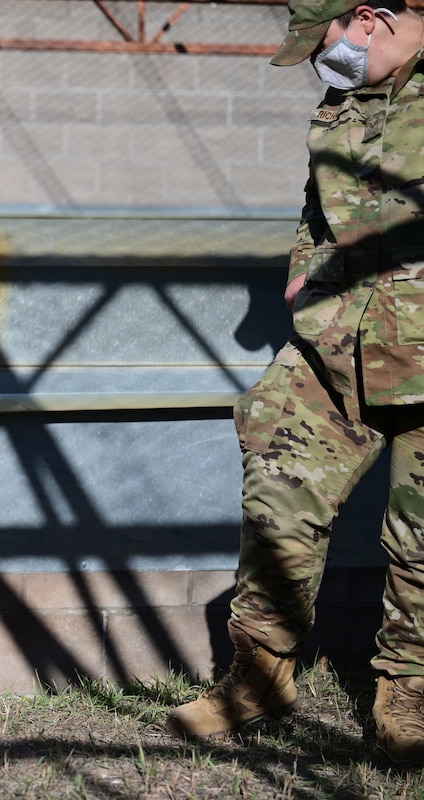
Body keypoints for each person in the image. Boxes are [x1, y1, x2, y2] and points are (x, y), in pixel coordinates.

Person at [165, 0, 424, 762]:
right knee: (277, 492)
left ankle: (408, 696)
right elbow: (319, 208)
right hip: (334, 345)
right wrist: (306, 279)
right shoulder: (345, 102)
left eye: (329, 42)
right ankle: (259, 675)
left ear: (369, 18)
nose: (324, 62)